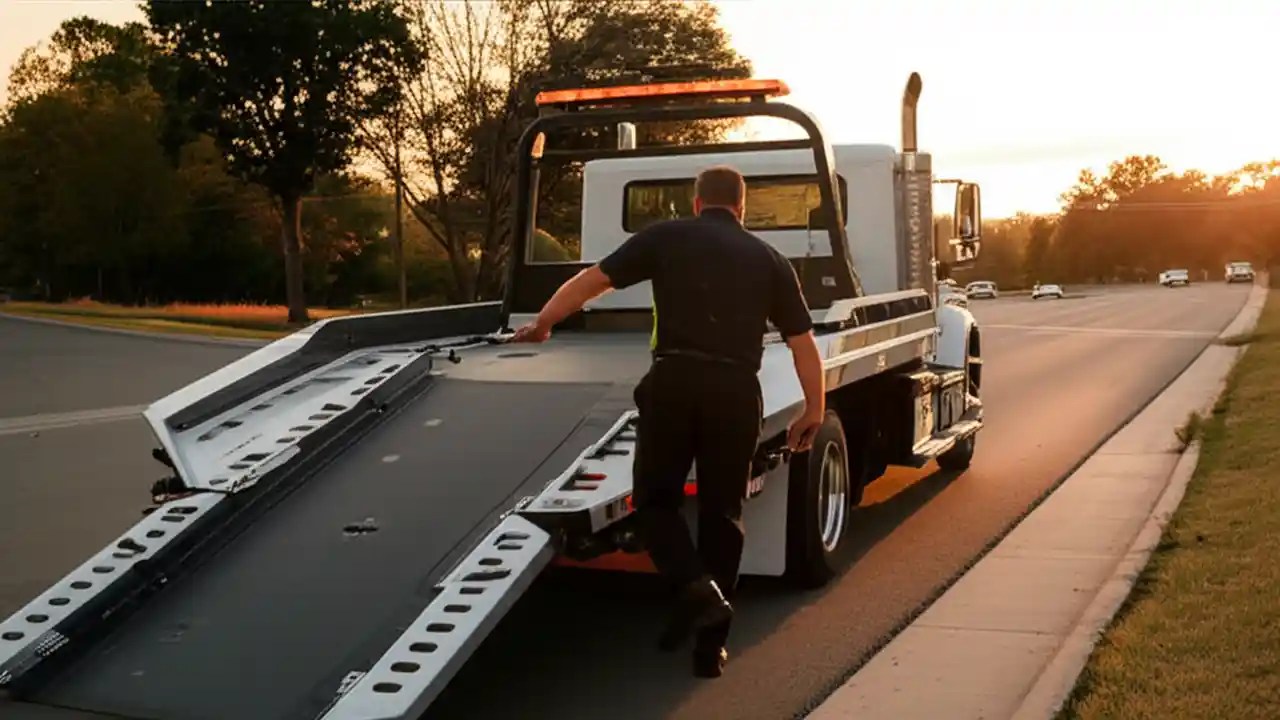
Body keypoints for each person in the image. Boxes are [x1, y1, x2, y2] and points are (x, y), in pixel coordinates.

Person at [511, 165, 826, 678]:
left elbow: (591, 282)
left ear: (697, 203)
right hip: (735, 392)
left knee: (655, 502)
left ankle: (698, 588)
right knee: (724, 515)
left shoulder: (666, 237)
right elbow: (802, 344)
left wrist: (544, 322)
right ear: (741, 210)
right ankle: (711, 650)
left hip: (674, 381)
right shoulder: (769, 259)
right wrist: (814, 408)